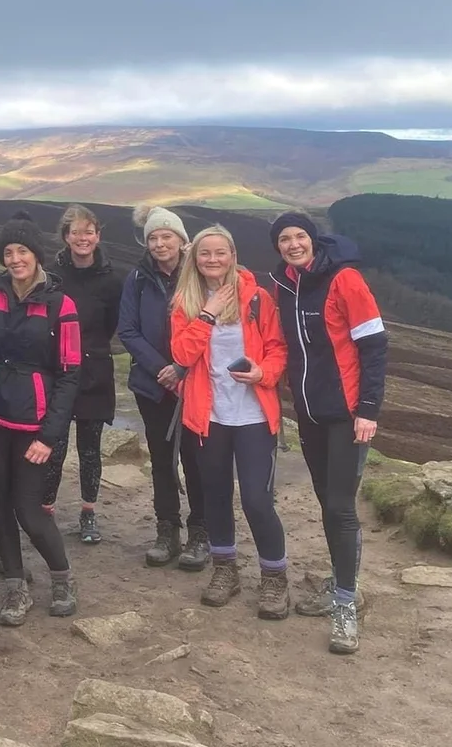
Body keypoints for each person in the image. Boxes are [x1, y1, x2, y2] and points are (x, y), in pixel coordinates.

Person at [0, 211, 83, 627]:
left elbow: (70, 374)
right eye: (8, 252)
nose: (14, 259)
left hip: (33, 427)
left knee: (28, 509)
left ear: (36, 255)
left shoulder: (61, 306)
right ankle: (15, 587)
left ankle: (62, 578)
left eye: (21, 250)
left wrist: (50, 435)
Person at [270, 212, 388, 655]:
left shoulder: (345, 280)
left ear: (314, 239)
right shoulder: (285, 284)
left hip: (346, 415)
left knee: (340, 508)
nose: (293, 243)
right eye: (284, 238)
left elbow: (374, 348)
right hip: (310, 415)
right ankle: (345, 583)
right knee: (327, 504)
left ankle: (344, 606)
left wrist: (368, 410)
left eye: (300, 235)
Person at [169, 224, 291, 621]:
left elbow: (277, 349)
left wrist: (263, 373)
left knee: (257, 499)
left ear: (233, 254)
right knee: (215, 495)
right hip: (209, 416)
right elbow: (183, 355)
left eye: (220, 252)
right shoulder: (185, 303)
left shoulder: (258, 299)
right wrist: (206, 315)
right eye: (205, 253)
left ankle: (274, 576)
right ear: (195, 258)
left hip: (254, 415)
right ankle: (225, 570)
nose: (213, 260)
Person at [118, 205, 210, 570]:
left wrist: (184, 368)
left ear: (182, 240)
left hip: (196, 384)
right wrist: (164, 369)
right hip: (152, 385)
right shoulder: (137, 279)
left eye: (166, 236)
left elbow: (215, 326)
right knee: (161, 459)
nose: (159, 244)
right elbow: (127, 329)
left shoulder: (201, 276)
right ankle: (166, 530)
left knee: (197, 460)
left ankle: (201, 532)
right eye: (153, 237)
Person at [43, 205, 123, 543]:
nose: (82, 238)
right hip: (56, 372)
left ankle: (88, 513)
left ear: (97, 236)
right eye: (76, 232)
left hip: (95, 372)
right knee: (53, 448)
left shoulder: (112, 279)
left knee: (90, 449)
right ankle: (45, 511)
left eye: (88, 231)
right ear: (65, 237)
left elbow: (111, 325)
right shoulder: (50, 275)